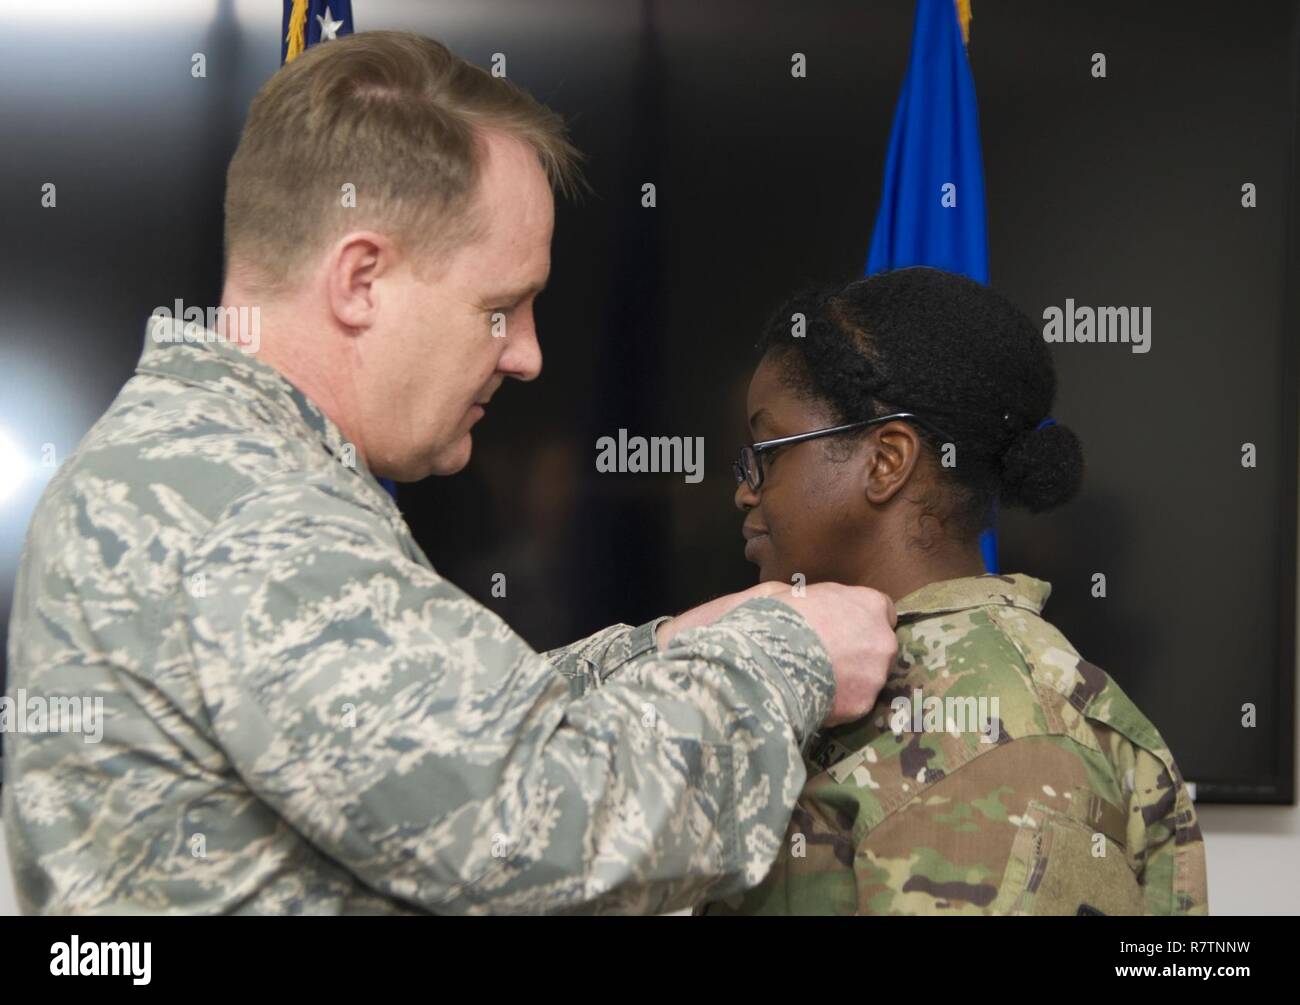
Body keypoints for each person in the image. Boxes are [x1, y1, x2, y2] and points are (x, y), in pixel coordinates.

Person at [1, 31, 900, 915]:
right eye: (500, 308)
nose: (529, 356)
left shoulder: (195, 465)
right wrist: (791, 655)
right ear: (360, 279)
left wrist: (655, 651)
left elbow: (417, 745)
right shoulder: (253, 511)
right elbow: (538, 828)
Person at [702, 267, 1208, 915]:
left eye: (766, 451)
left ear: (886, 461)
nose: (745, 488)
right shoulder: (842, 682)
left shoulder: (1001, 745)